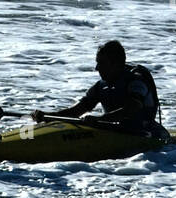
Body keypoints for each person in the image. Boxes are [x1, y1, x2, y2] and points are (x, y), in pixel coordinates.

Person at [31, 40, 166, 138]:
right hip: (115, 131)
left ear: (116, 64)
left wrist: (100, 119)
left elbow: (132, 108)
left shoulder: (136, 82)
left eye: (101, 63)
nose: (97, 68)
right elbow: (77, 111)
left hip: (145, 134)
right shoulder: (100, 86)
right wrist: (47, 116)